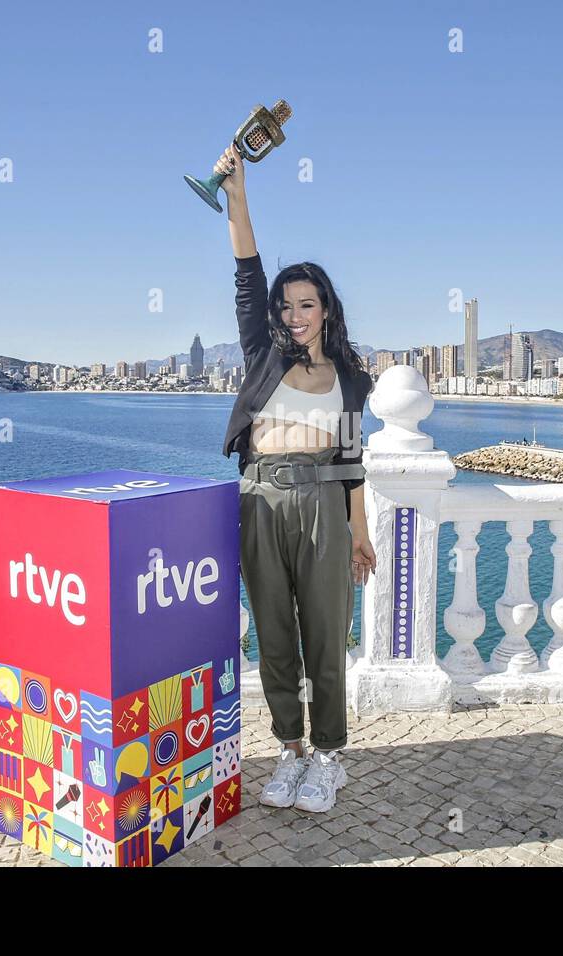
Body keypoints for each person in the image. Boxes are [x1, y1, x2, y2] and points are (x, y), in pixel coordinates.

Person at [214, 142, 377, 813]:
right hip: (259, 500)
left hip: (320, 504)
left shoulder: (351, 378)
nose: (292, 313)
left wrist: (359, 533)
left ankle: (330, 755)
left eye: (305, 303)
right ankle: (291, 748)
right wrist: (238, 194)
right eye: (286, 305)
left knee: (326, 636)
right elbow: (246, 269)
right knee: (275, 632)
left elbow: (349, 464)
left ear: (327, 309)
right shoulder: (262, 353)